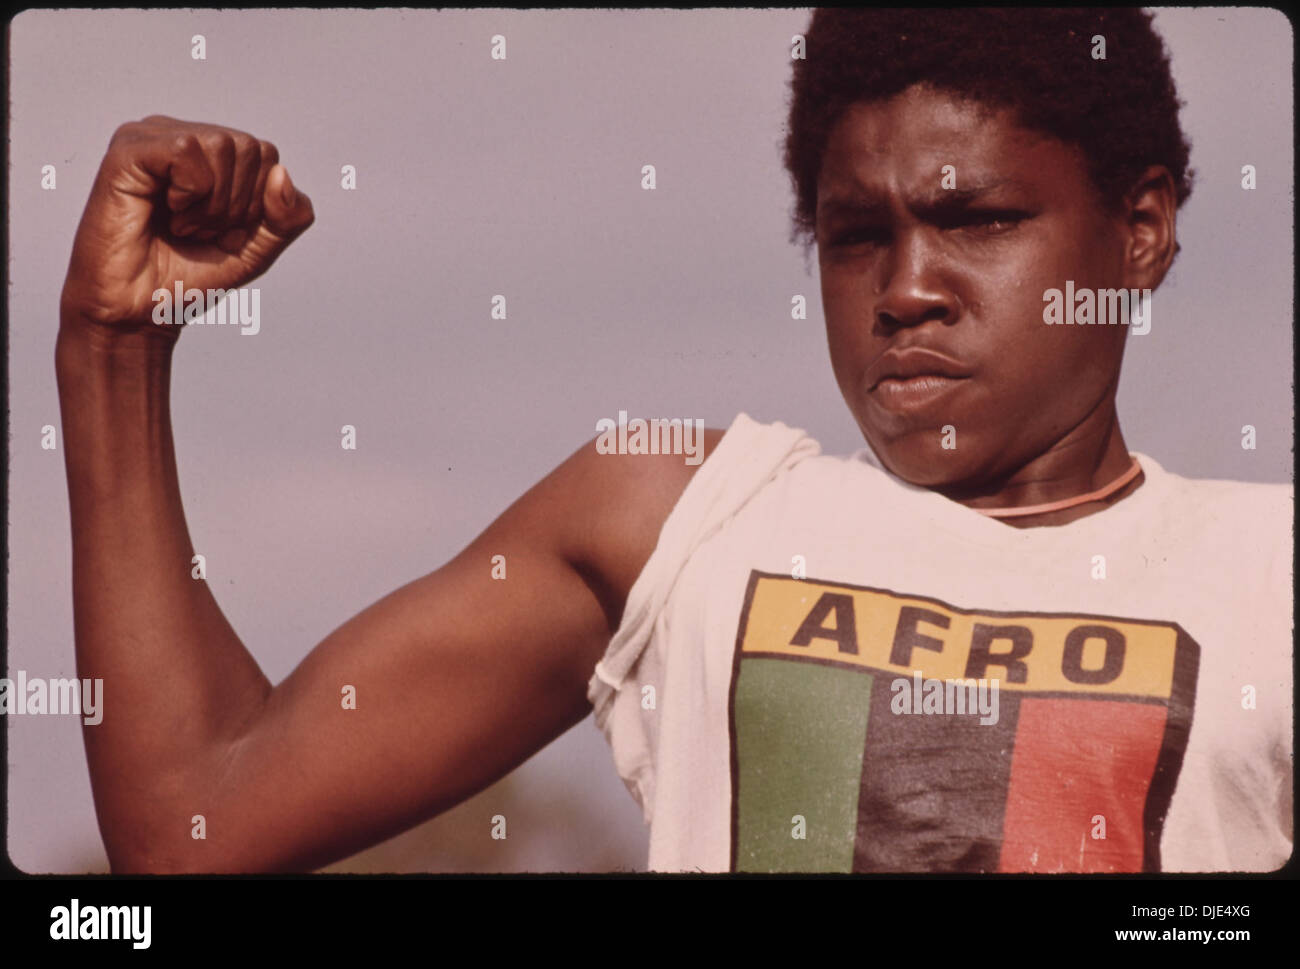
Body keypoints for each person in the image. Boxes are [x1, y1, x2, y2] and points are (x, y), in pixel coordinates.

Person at [56, 8, 1290, 873]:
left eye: (976, 221)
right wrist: (113, 348)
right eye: (855, 234)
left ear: (1137, 231)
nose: (905, 287)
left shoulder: (1269, 574)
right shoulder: (684, 516)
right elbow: (190, 826)